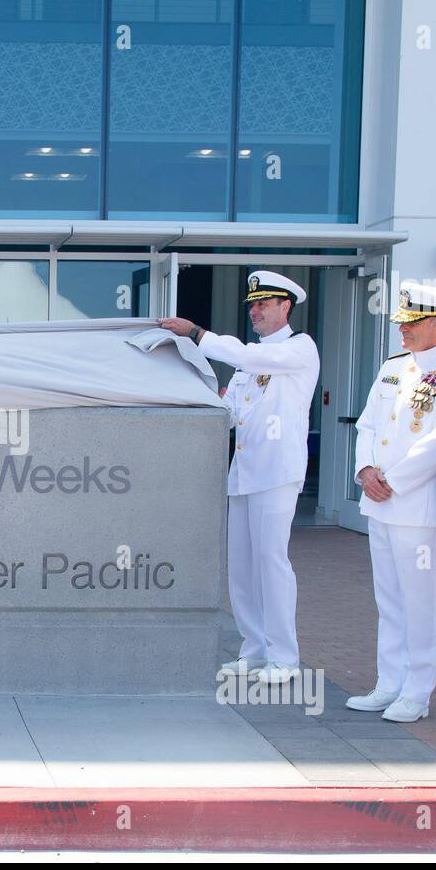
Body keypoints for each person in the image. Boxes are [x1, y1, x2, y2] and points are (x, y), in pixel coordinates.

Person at [159, 271, 320, 684]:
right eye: (252, 304)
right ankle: (255, 650)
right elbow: (229, 411)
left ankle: (284, 657)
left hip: (276, 472)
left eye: (263, 304)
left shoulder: (298, 348)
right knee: (243, 567)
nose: (255, 310)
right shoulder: (251, 361)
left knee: (271, 562)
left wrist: (197, 333)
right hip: (245, 473)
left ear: (286, 306)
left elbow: (247, 357)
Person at [346, 283, 436, 722]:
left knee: (422, 601)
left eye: (413, 323)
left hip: (418, 506)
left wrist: (394, 481)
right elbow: (367, 425)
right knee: (389, 598)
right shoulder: (393, 366)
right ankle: (389, 683)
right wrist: (365, 470)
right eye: (401, 322)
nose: (403, 330)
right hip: (379, 501)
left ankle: (417, 691)